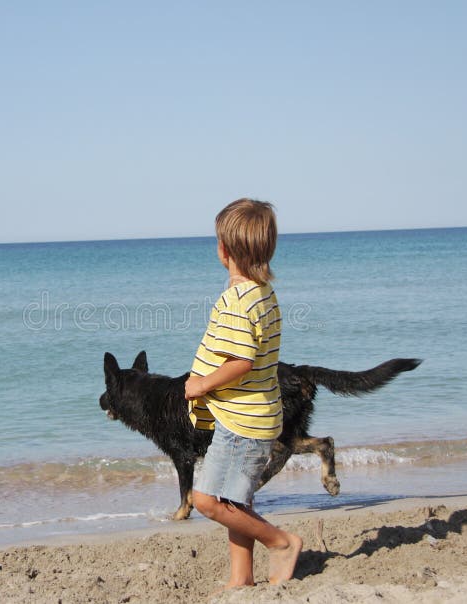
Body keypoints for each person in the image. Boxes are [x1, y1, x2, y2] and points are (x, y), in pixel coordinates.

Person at [184, 198, 302, 590]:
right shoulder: (263, 293)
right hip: (257, 414)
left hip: (242, 422)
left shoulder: (236, 301)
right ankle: (241, 578)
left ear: (224, 250)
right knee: (235, 500)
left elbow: (241, 361)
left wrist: (201, 384)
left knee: (207, 500)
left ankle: (281, 542)